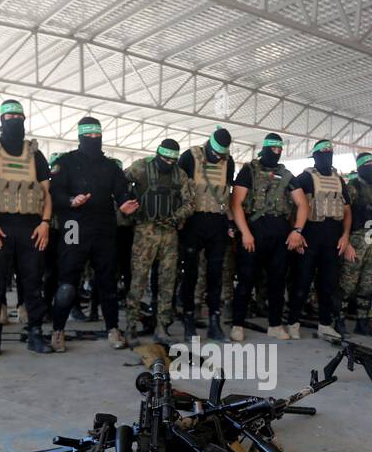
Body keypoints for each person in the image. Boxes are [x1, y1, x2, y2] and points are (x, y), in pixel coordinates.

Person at [47, 117, 139, 351]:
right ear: (80, 137)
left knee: (107, 280)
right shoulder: (65, 163)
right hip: (73, 227)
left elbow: (121, 191)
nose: (93, 140)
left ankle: (112, 328)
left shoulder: (110, 167)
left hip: (103, 227)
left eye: (97, 136)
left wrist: (125, 203)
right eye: (88, 136)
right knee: (67, 281)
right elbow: (54, 193)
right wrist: (70, 200)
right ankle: (58, 330)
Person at [0, 99, 53, 355]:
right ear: (1, 121)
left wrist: (45, 223)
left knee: (32, 284)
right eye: (9, 118)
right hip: (0, 227)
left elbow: (46, 193)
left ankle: (35, 333)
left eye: (18, 117)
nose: (14, 122)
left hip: (31, 227)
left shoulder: (35, 154)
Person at [125, 139, 193, 345]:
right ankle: (130, 327)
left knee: (167, 281)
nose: (169, 162)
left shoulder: (179, 174)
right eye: (165, 158)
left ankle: (162, 326)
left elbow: (190, 203)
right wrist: (129, 203)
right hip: (145, 230)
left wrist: (176, 217)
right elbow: (119, 183)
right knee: (138, 279)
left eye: (173, 159)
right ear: (157, 154)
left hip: (169, 232)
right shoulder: (141, 167)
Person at [230, 133, 294, 340]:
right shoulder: (249, 170)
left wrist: (297, 231)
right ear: (265, 148)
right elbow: (236, 203)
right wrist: (245, 233)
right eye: (273, 149)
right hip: (254, 233)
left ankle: (275, 325)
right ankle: (237, 324)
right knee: (246, 280)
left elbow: (300, 203)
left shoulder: (285, 174)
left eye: (279, 150)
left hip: (279, 235)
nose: (276, 153)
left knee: (277, 282)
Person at [287, 139, 351, 339]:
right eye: (323, 152)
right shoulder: (304, 178)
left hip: (333, 240)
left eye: (330, 152)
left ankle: (325, 324)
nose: (327, 155)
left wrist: (345, 236)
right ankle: (293, 322)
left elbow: (347, 211)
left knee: (329, 284)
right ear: (315, 155)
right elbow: (291, 208)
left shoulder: (339, 180)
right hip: (310, 238)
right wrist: (296, 234)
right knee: (302, 282)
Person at [177, 127, 234, 340]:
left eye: (222, 154)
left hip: (217, 224)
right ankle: (189, 320)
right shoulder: (190, 157)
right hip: (193, 223)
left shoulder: (229, 161)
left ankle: (214, 322)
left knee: (215, 275)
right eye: (216, 154)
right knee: (190, 273)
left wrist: (230, 222)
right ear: (209, 145)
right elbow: (179, 189)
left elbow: (226, 193)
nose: (219, 158)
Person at [338, 151, 372, 335]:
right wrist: (346, 243)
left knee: (368, 285)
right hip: (355, 241)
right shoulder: (351, 188)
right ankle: (338, 320)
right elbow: (342, 216)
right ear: (360, 167)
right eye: (368, 164)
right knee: (347, 284)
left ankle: (363, 322)